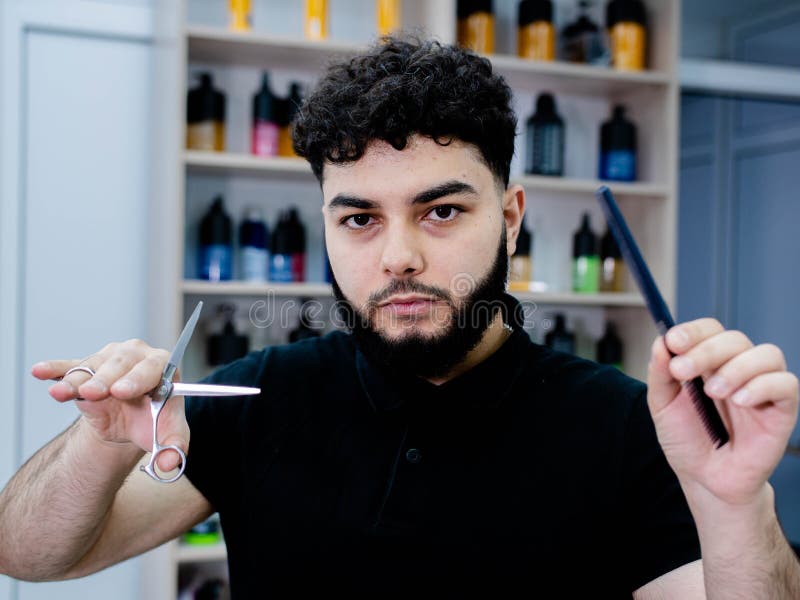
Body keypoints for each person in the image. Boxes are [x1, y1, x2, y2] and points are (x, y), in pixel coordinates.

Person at [1, 36, 799, 598]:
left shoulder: (631, 427)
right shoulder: (256, 399)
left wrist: (735, 505)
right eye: (360, 220)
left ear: (512, 216)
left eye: (442, 211)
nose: (399, 257)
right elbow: (25, 556)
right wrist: (98, 446)